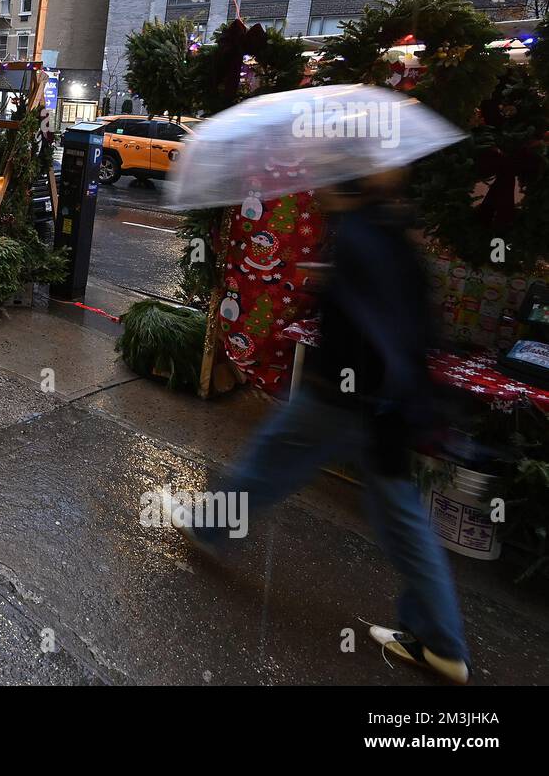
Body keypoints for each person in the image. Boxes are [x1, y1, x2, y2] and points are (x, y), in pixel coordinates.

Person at [173, 167, 471, 685]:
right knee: (402, 520)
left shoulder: (357, 236)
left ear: (346, 188)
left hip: (343, 397)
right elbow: (417, 322)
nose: (321, 191)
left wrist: (328, 289)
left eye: (330, 182)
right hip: (390, 406)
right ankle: (442, 642)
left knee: (268, 461)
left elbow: (354, 327)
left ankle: (208, 525)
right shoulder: (393, 231)